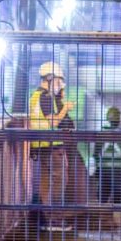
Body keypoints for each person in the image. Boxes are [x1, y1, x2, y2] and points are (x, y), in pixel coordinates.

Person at [27, 61, 77, 225]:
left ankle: (48, 218)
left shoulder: (35, 96)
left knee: (47, 181)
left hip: (41, 144)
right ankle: (54, 219)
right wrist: (65, 109)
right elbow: (54, 121)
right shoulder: (46, 97)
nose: (59, 85)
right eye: (57, 81)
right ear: (49, 79)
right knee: (59, 180)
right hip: (52, 145)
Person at [95, 105, 121, 205]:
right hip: (119, 169)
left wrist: (96, 168)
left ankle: (102, 216)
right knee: (118, 196)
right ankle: (118, 215)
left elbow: (96, 153)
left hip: (104, 168)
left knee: (102, 196)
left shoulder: (102, 133)